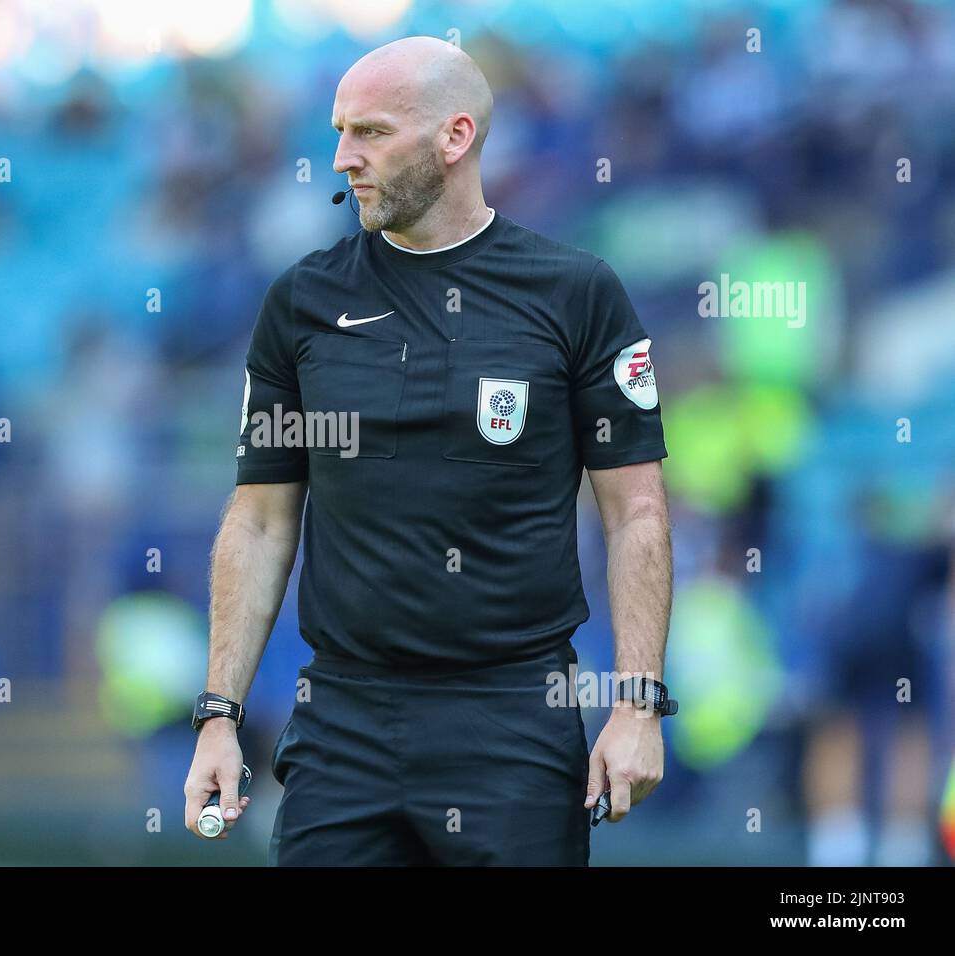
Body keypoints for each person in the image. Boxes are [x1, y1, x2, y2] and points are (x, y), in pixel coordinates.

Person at [184, 36, 674, 865]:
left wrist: (637, 705)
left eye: (371, 132)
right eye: (339, 132)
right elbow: (262, 522)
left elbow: (636, 512)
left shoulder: (576, 294)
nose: (343, 158)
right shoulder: (301, 303)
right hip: (342, 718)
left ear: (454, 138)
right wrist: (219, 716)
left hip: (514, 716)